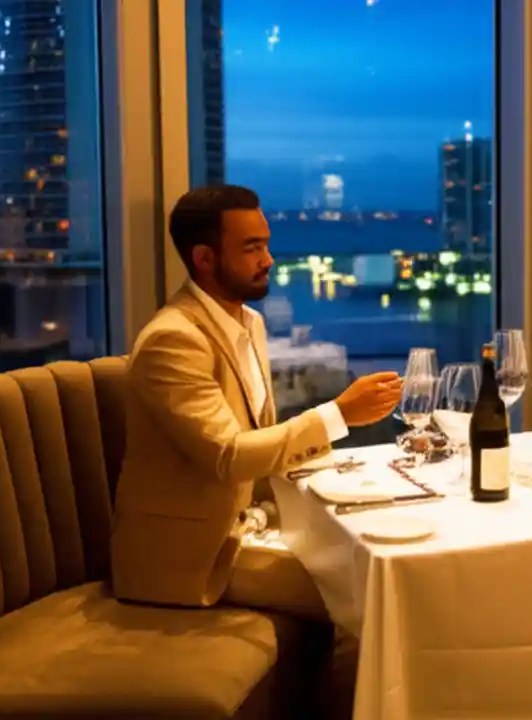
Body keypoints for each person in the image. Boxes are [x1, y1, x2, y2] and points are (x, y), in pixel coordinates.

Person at [110, 185, 401, 714]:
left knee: (378, 569)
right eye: (250, 248)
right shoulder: (172, 339)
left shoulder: (249, 324)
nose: (269, 259)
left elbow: (257, 442)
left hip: (255, 526)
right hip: (195, 557)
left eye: (266, 244)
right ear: (204, 258)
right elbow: (227, 455)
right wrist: (338, 415)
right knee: (372, 605)